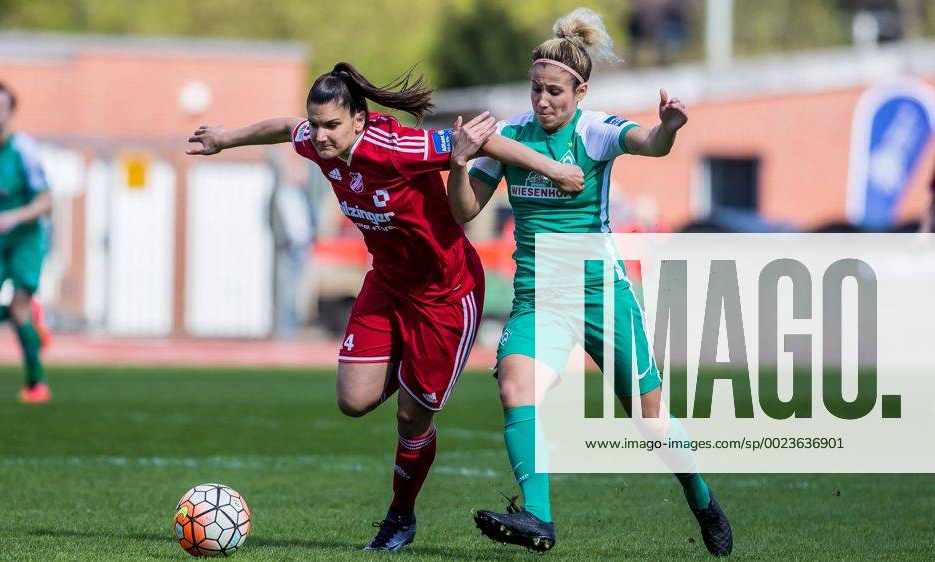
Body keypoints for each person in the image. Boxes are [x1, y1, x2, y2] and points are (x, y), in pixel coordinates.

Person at [186, 61, 583, 551]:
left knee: (412, 419)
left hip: (444, 295)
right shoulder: (316, 141)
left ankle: (400, 517)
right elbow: (281, 127)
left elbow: (485, 142)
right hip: (387, 285)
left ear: (359, 120)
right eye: (316, 124)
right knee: (352, 400)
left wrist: (555, 169)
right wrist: (225, 139)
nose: (320, 135)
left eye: (332, 125)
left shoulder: (396, 147)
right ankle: (411, 374)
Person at [446, 9, 732, 556]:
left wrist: (669, 127)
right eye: (536, 90)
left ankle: (702, 499)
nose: (543, 101)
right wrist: (460, 164)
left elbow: (649, 142)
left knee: (651, 421)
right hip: (540, 298)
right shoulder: (510, 137)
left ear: (581, 91)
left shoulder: (595, 130)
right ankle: (539, 519)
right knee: (515, 383)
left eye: (555, 91)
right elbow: (463, 210)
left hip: (601, 294)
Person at [0, 81, 53, 404]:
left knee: (18, 310)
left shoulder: (24, 151)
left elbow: (46, 202)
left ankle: (36, 384)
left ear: (11, 111)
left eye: (2, 106)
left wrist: (14, 217)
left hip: (26, 239)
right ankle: (32, 324)